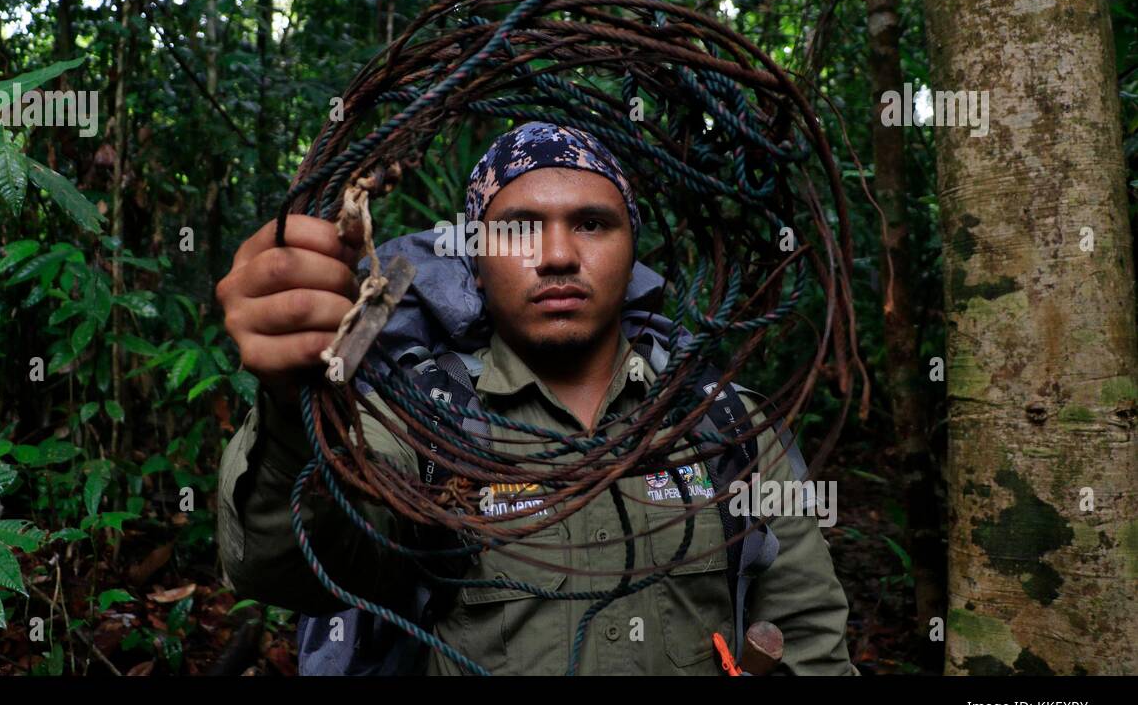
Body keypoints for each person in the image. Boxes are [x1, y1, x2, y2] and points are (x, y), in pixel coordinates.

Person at [215, 122, 858, 675]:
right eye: (520, 228)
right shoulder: (419, 419)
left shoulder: (724, 424)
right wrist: (291, 402)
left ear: (632, 249)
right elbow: (287, 566)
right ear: (477, 255)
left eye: (592, 223)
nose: (556, 255)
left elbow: (807, 635)